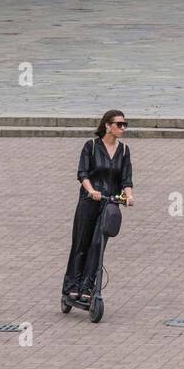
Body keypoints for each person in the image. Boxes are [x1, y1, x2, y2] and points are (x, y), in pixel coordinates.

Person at [63, 110, 134, 303]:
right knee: (81, 243)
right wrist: (91, 190)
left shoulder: (124, 150)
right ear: (107, 125)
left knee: (97, 245)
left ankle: (88, 286)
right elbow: (82, 173)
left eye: (124, 124)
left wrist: (129, 197)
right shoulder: (91, 146)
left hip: (110, 203)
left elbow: (126, 179)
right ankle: (72, 286)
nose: (123, 128)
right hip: (89, 202)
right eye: (119, 124)